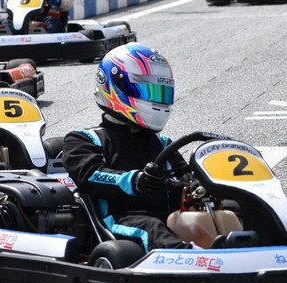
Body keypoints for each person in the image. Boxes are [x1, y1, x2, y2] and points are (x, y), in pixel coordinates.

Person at [61, 43, 190, 251]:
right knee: (152, 228)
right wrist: (137, 180)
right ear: (117, 87)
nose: (156, 99)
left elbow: (184, 178)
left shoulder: (162, 143)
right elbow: (90, 175)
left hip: (168, 217)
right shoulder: (84, 139)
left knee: (225, 209)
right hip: (119, 221)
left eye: (160, 92)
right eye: (148, 90)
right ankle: (193, 262)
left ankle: (240, 247)